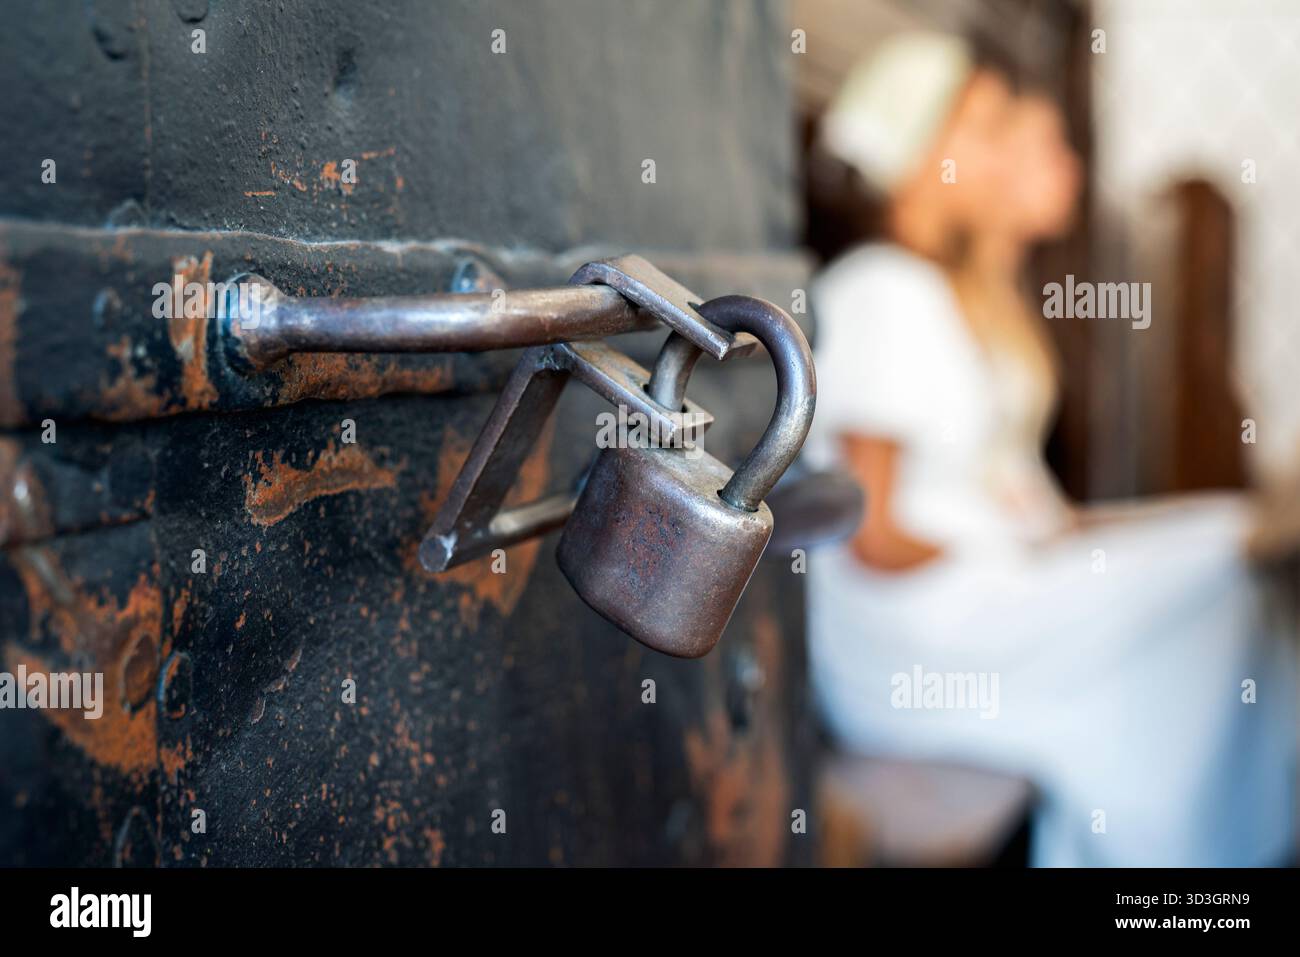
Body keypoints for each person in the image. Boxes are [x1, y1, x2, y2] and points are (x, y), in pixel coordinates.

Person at [806, 32, 1295, 867]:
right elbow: (872, 535)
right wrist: (1029, 564)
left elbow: (1036, 515)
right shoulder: (884, 291)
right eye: (986, 129)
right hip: (915, 632)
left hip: (979, 591)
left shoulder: (952, 297)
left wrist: (1076, 550)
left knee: (1232, 556)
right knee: (1228, 570)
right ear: (930, 153)